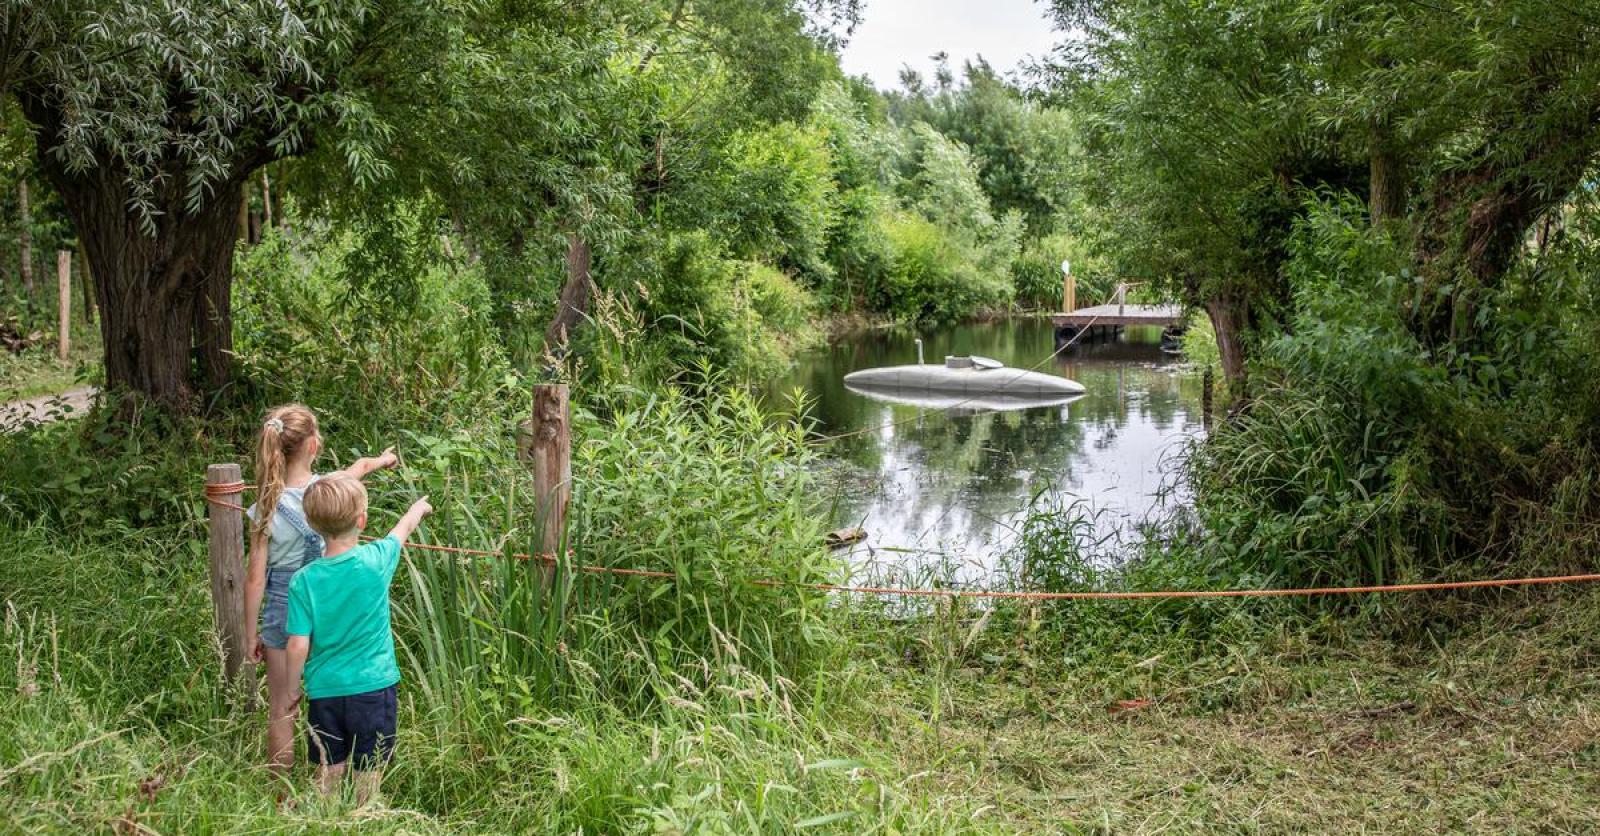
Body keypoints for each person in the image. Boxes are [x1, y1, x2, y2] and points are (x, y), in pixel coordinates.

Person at [243, 404, 398, 782]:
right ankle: (340, 773)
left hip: (284, 608)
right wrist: (383, 460)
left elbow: (255, 578)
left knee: (282, 709)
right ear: (313, 446)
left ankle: (281, 793)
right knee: (332, 691)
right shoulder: (328, 488)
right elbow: (360, 467)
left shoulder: (265, 505)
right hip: (330, 605)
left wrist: (250, 634)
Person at [285, 475, 431, 804]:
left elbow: (297, 645)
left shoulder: (303, 581)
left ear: (311, 524)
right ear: (362, 520)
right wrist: (419, 508)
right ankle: (364, 816)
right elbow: (403, 529)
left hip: (325, 691)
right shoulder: (376, 560)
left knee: (329, 768)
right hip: (373, 688)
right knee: (369, 768)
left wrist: (293, 689)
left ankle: (325, 817)